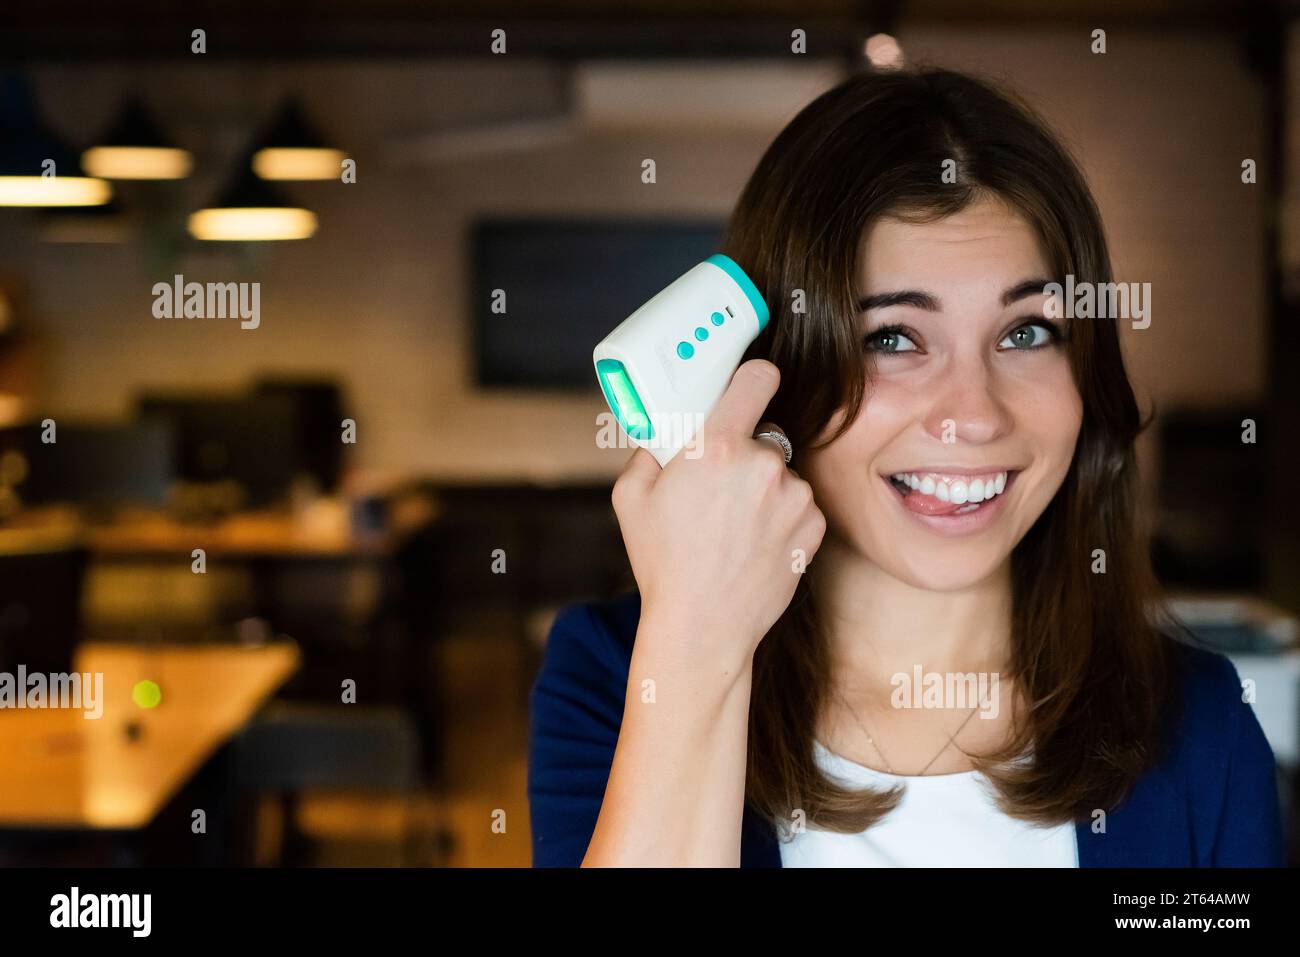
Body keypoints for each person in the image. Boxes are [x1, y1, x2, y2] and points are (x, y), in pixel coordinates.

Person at [528, 66, 1286, 867]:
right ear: (775, 367)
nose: (974, 413)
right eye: (892, 337)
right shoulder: (618, 676)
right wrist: (695, 640)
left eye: (1026, 332)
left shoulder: (1202, 725)